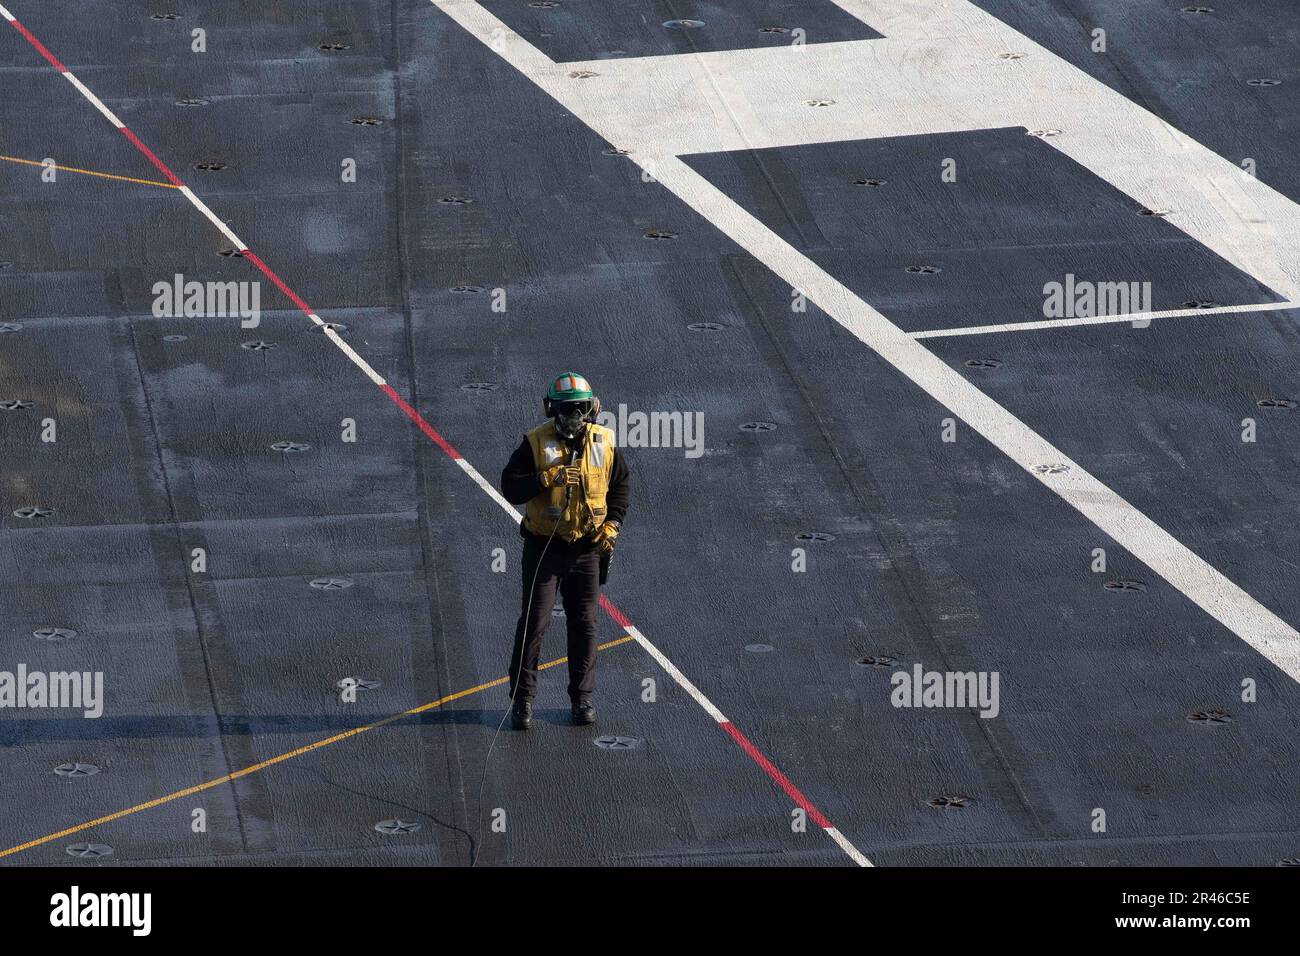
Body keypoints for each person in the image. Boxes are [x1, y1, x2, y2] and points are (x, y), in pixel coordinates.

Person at [500, 373, 630, 730]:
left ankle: (582, 699)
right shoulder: (535, 443)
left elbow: (620, 484)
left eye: (580, 408)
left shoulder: (605, 442)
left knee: (585, 623)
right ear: (552, 410)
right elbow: (510, 486)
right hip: (545, 549)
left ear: (592, 409)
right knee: (534, 622)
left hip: (587, 549)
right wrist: (545, 479)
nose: (574, 416)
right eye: (567, 409)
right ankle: (523, 700)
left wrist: (612, 525)